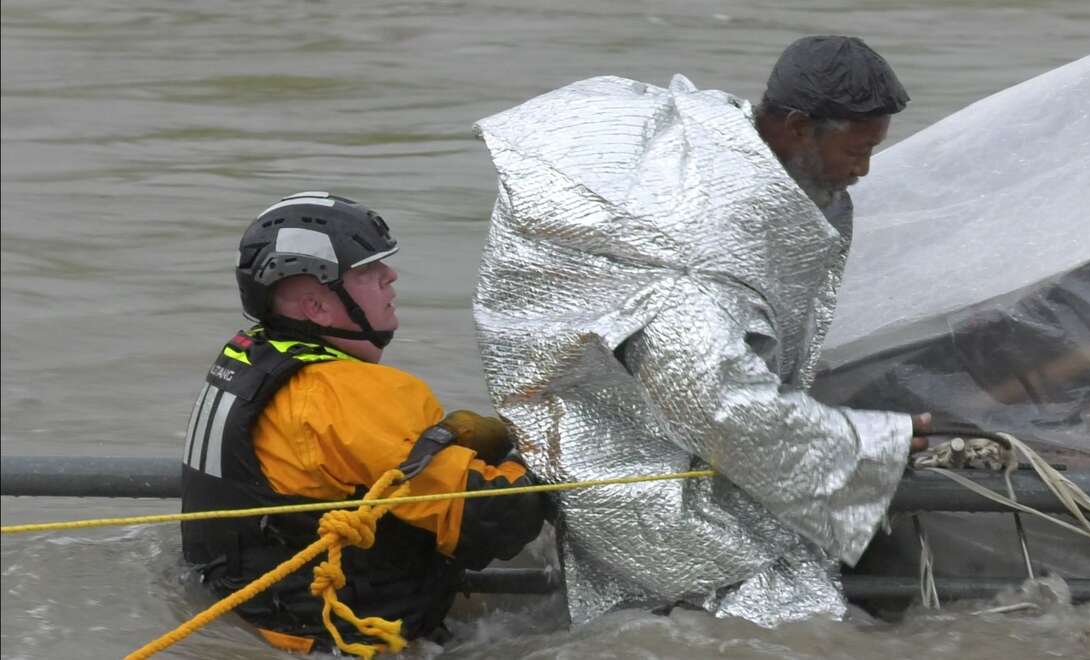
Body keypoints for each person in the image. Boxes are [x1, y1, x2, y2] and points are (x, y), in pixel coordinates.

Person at [472, 36, 929, 627]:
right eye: (858, 149)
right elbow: (711, 401)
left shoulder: (723, 140)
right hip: (621, 446)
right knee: (782, 617)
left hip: (627, 391)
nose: (864, 169)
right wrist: (867, 445)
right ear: (795, 126)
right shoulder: (707, 246)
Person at [180, 192, 545, 654]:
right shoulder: (344, 394)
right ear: (315, 307)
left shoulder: (248, 355)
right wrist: (539, 456)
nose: (390, 277)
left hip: (243, 620)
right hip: (334, 640)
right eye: (368, 271)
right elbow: (496, 517)